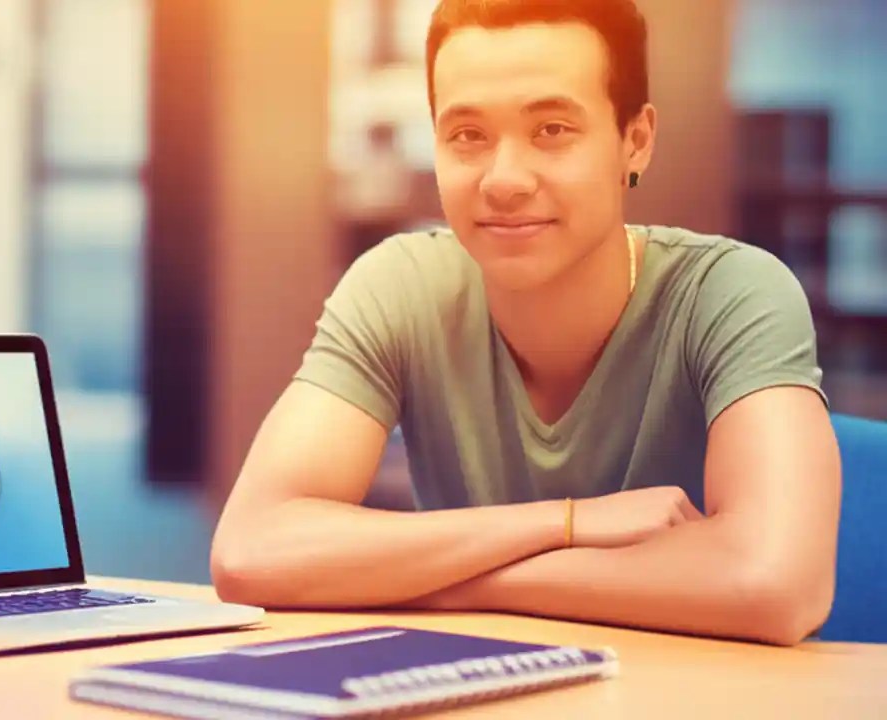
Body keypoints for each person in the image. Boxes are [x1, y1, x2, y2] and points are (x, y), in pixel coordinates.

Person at [209, 0, 841, 646]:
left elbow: (775, 583)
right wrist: (565, 523)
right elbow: (251, 549)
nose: (503, 180)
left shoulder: (732, 293)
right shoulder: (399, 286)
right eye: (467, 136)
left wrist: (457, 582)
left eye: (552, 130)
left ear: (637, 140)